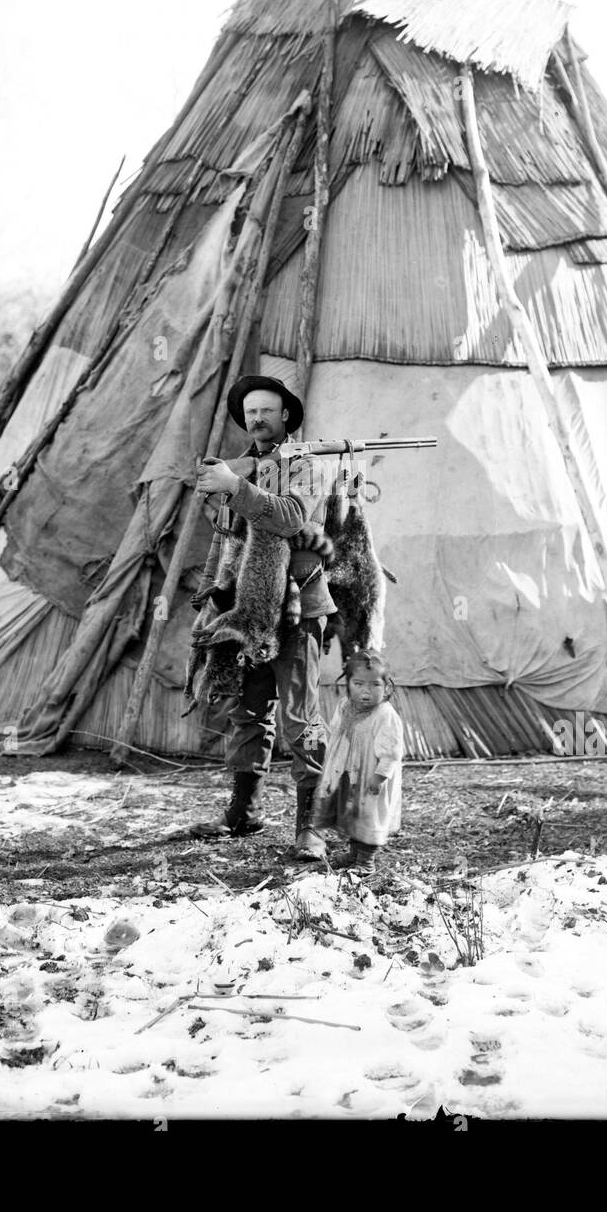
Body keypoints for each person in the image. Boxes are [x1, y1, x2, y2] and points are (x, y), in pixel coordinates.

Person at [190, 374, 336, 859]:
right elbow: (225, 540)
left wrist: (236, 487)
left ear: (286, 416)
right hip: (246, 609)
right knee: (248, 712)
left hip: (297, 608)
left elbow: (291, 517)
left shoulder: (308, 465)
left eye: (267, 410)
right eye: (251, 412)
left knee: (300, 715)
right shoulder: (241, 467)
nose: (257, 419)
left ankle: (311, 826)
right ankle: (244, 812)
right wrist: (210, 598)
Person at [312, 651, 404, 873]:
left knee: (369, 818)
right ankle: (354, 854)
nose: (366, 691)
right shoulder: (344, 706)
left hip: (372, 779)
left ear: (387, 687)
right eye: (359, 684)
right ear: (348, 684)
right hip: (349, 774)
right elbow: (336, 732)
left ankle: (366, 861)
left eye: (375, 685)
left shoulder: (385, 715)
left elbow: (391, 752)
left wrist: (379, 777)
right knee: (352, 814)